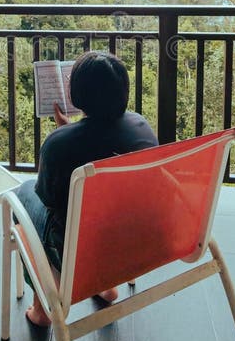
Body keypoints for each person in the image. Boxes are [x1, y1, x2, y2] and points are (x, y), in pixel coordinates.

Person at [16, 50, 158, 326]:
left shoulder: (60, 143)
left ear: (76, 95)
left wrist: (63, 134)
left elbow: (47, 199)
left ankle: (42, 307)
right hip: (133, 240)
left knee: (23, 194)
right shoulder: (141, 127)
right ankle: (106, 284)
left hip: (77, 247)